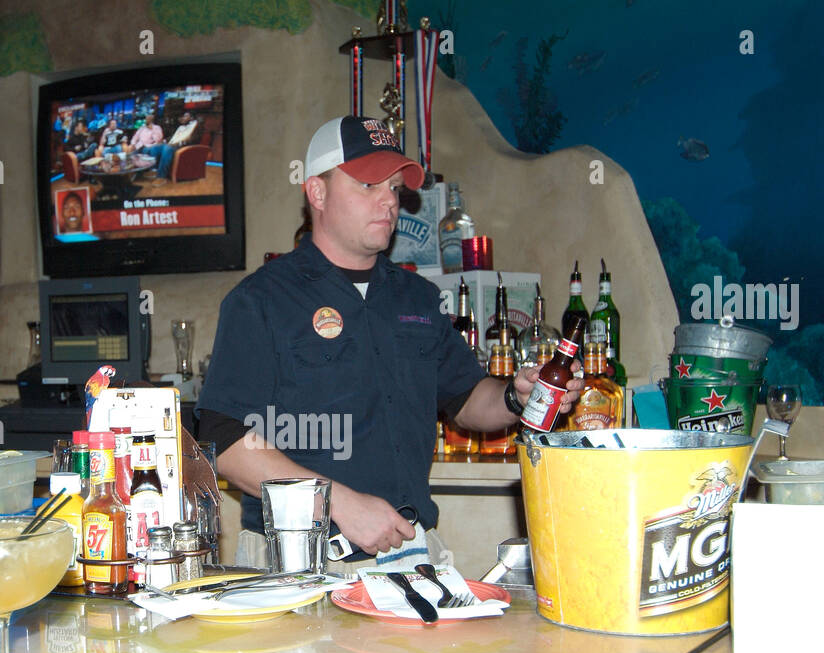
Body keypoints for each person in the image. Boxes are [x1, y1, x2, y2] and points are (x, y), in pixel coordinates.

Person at [196, 115, 583, 571]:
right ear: (316, 193)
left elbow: (465, 399)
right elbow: (222, 440)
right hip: (301, 564)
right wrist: (335, 503)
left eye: (395, 188)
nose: (389, 202)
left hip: (412, 555)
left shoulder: (416, 296)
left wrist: (516, 398)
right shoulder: (260, 300)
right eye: (368, 185)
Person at [128, 113, 174, 184]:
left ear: (152, 119)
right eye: (146, 118)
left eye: (149, 118)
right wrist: (132, 144)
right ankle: (134, 175)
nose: (147, 119)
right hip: (139, 146)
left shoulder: (157, 128)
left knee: (152, 150)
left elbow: (158, 139)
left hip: (149, 146)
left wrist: (152, 129)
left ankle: (153, 171)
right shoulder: (142, 128)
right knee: (129, 156)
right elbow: (135, 137)